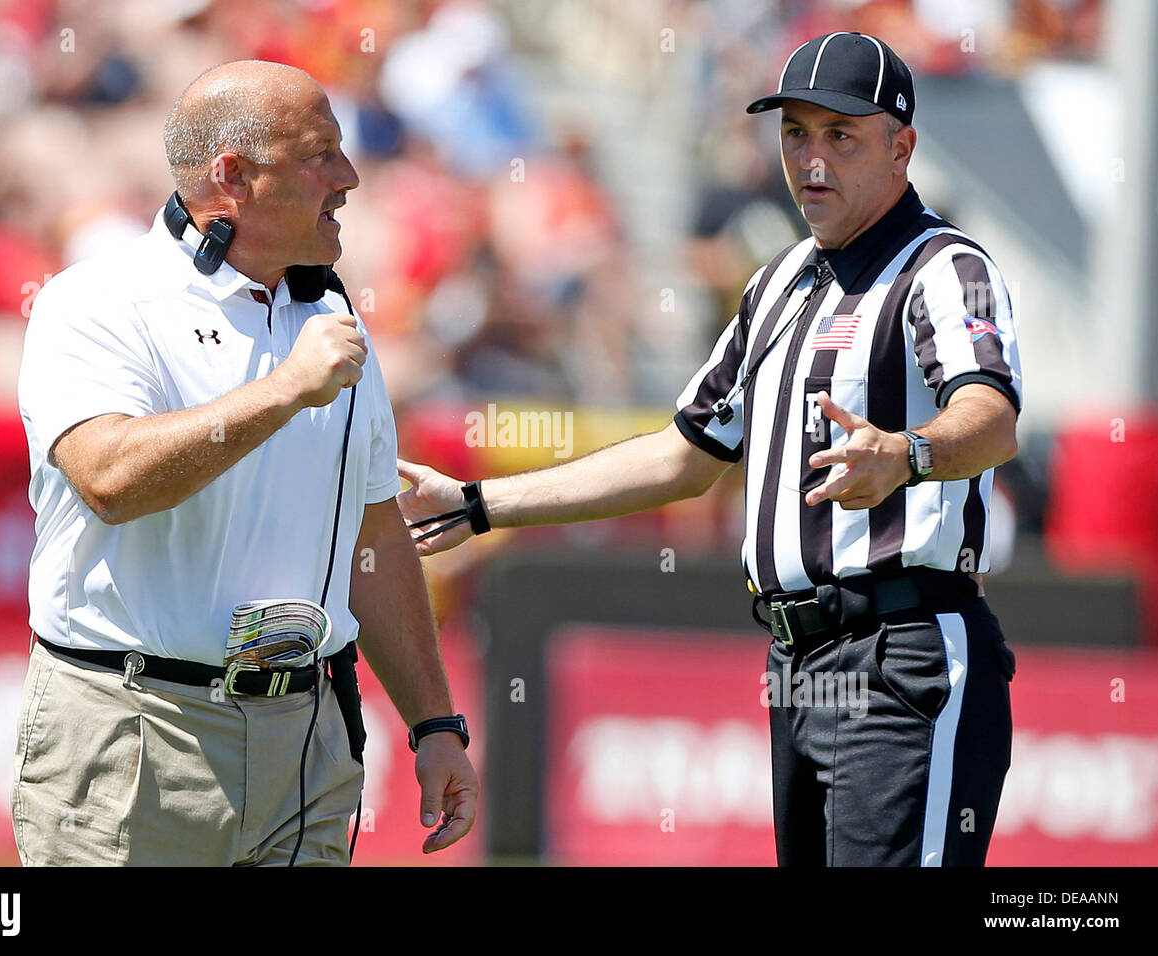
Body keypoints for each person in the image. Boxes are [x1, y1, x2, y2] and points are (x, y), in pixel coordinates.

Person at [399, 32, 1021, 867]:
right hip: (800, 664)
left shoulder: (945, 266)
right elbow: (682, 457)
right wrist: (481, 503)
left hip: (902, 649)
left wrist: (905, 454)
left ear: (901, 145)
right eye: (796, 133)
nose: (812, 158)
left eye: (842, 135)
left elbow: (989, 415)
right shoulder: (782, 282)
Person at [13, 60, 478, 866]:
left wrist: (434, 725)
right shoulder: (93, 301)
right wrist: (286, 388)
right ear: (231, 176)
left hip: (308, 742)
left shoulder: (331, 310)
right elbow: (111, 480)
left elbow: (373, 531)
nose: (350, 177)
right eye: (319, 154)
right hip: (134, 734)